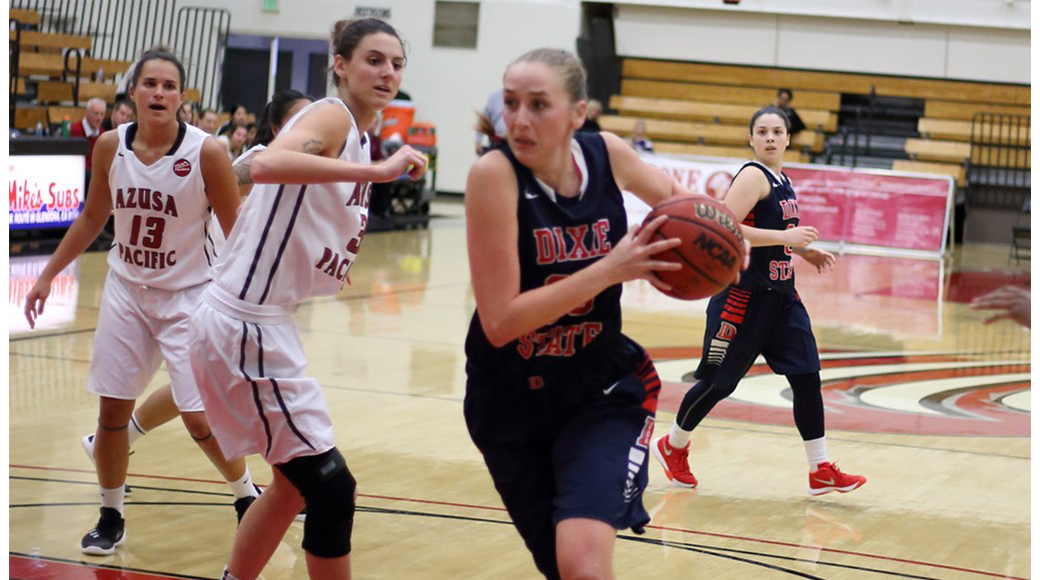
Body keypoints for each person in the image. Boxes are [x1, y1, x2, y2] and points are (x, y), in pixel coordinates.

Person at [465, 48, 718, 580]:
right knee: (564, 571)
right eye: (512, 104)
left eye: (539, 105)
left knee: (583, 562)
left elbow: (682, 206)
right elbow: (500, 321)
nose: (521, 119)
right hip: (509, 400)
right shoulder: (494, 176)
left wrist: (731, 250)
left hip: (599, 390)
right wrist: (610, 269)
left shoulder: (606, 154)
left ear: (578, 114)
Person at [187, 18, 427, 580]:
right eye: (373, 59)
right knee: (330, 485)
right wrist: (376, 170)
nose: (387, 72)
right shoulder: (332, 116)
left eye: (396, 63)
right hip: (243, 323)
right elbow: (267, 162)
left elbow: (253, 174)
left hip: (264, 324)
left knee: (298, 483)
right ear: (340, 64)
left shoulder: (359, 134)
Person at [23, 49, 260, 556]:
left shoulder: (207, 152)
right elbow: (91, 218)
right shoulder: (110, 147)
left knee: (199, 418)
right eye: (149, 83)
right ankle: (111, 514)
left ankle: (244, 495)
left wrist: (250, 299)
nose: (158, 92)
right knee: (112, 413)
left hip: (189, 296)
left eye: (169, 85)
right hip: (127, 290)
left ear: (181, 97)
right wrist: (46, 276)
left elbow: (235, 228)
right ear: (132, 92)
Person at [651, 106, 866, 497]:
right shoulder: (752, 175)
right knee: (719, 383)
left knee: (807, 377)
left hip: (782, 299)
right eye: (762, 131)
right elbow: (725, 226)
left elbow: (779, 232)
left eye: (777, 131)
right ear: (751, 138)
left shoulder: (783, 179)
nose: (770, 137)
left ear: (787, 138)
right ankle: (673, 445)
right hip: (742, 297)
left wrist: (804, 253)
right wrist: (788, 240)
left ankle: (820, 468)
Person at [69, 98, 107, 175]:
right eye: (96, 113)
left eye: (102, 114)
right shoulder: (74, 130)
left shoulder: (102, 133)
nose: (99, 118)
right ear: (86, 113)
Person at [475, 88, 507, 155]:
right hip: (496, 143)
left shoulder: (521, 96)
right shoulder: (494, 97)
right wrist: (478, 141)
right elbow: (484, 120)